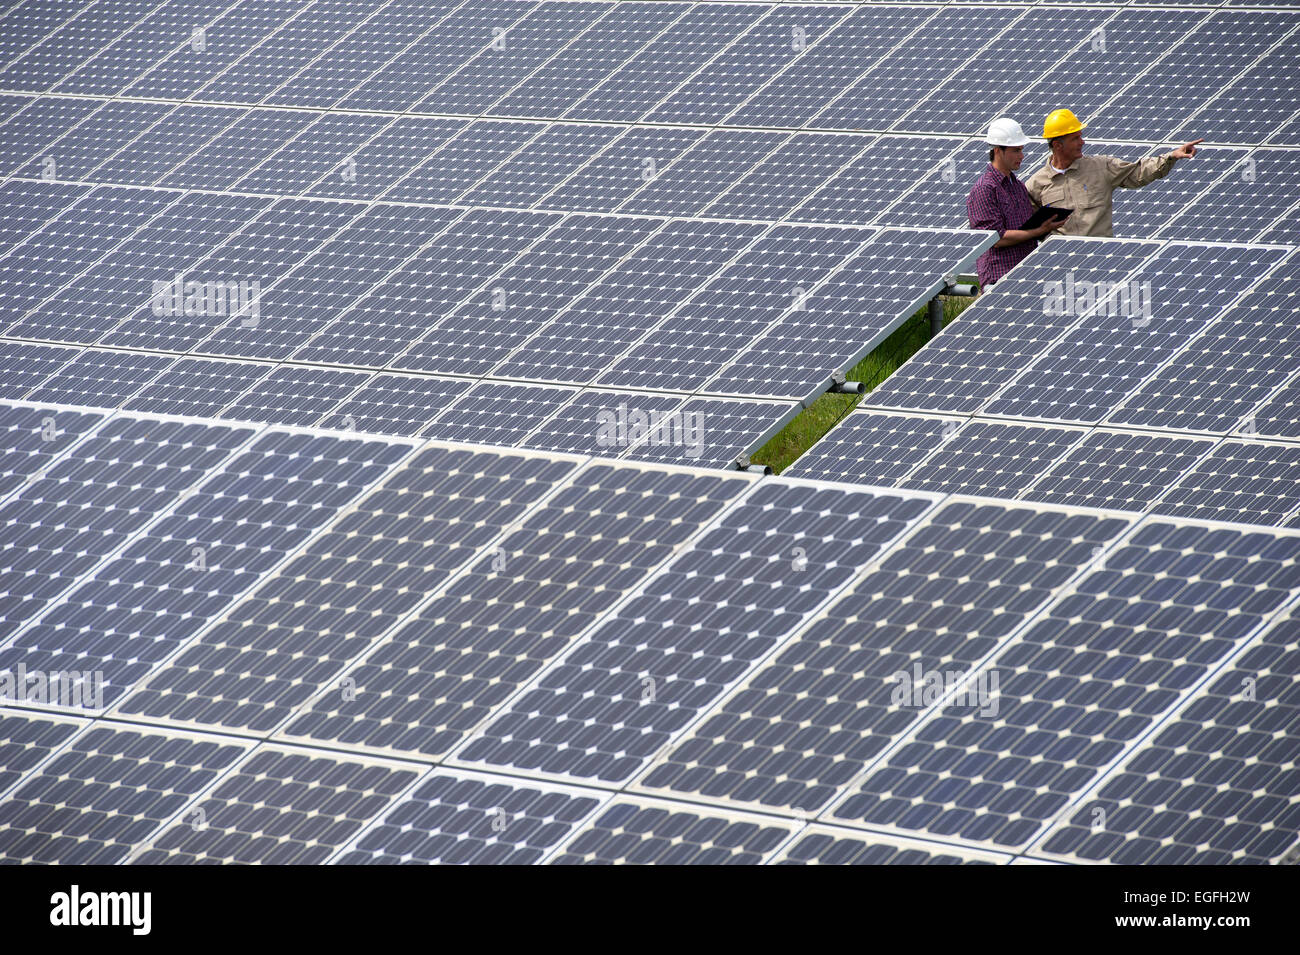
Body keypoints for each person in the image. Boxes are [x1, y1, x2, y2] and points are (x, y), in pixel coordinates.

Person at [1025, 108, 1202, 237]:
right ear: (1058, 145)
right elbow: (1030, 229)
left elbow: (1138, 172)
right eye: (1075, 138)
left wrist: (1171, 156)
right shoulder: (1035, 184)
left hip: (1100, 258)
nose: (1082, 142)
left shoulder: (1101, 167)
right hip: (1061, 263)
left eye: (1080, 136)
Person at [965, 117, 1067, 289]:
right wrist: (1038, 231)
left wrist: (1046, 223)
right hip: (999, 277)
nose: (1022, 155)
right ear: (998, 151)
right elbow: (993, 239)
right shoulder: (985, 188)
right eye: (1016, 150)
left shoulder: (1017, 186)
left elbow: (1023, 227)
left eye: (1021, 150)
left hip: (1023, 273)